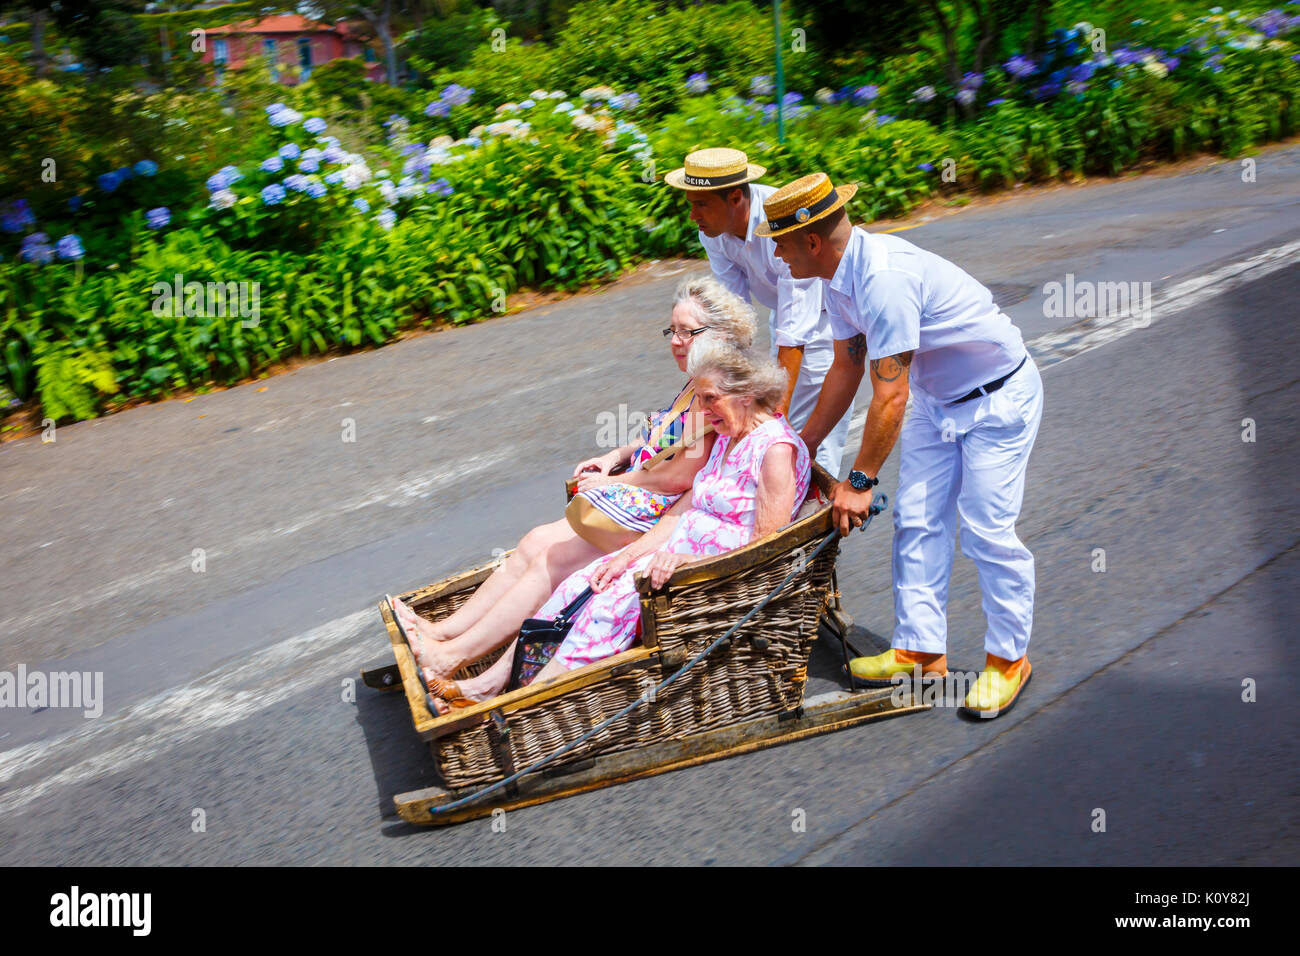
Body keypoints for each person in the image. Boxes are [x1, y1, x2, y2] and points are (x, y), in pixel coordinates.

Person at [757, 172, 1044, 719]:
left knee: (985, 528)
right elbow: (847, 364)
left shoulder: (883, 279)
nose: (776, 255)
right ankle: (920, 651)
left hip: (995, 401)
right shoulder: (837, 276)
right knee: (917, 519)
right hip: (940, 402)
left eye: (782, 243)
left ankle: (1008, 660)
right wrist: (802, 442)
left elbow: (889, 395)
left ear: (812, 242)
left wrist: (859, 481)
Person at [391, 275, 758, 679]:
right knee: (534, 542)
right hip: (643, 499)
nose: (675, 340)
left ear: (721, 335)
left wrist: (615, 481)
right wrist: (613, 455)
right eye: (672, 331)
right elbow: (658, 435)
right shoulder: (697, 382)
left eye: (687, 332)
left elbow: (677, 478)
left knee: (553, 559)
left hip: (662, 514)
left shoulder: (715, 395)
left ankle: (453, 656)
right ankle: (443, 633)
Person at [421, 339, 812, 711]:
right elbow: (684, 511)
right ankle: (489, 682)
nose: (704, 410)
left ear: (746, 394)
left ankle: (525, 703)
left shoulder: (775, 450)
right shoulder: (731, 434)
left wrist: (686, 561)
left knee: (607, 607)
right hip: (674, 553)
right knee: (582, 581)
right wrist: (628, 554)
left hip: (713, 574)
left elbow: (765, 550)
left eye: (711, 399)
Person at [665, 146, 855, 476]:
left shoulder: (779, 222)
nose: (693, 215)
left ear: (735, 197)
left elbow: (796, 331)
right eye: (690, 205)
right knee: (764, 418)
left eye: (701, 205)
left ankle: (815, 515)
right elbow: (733, 315)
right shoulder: (713, 231)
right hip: (784, 315)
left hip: (830, 319)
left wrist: (772, 417)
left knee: (813, 441)